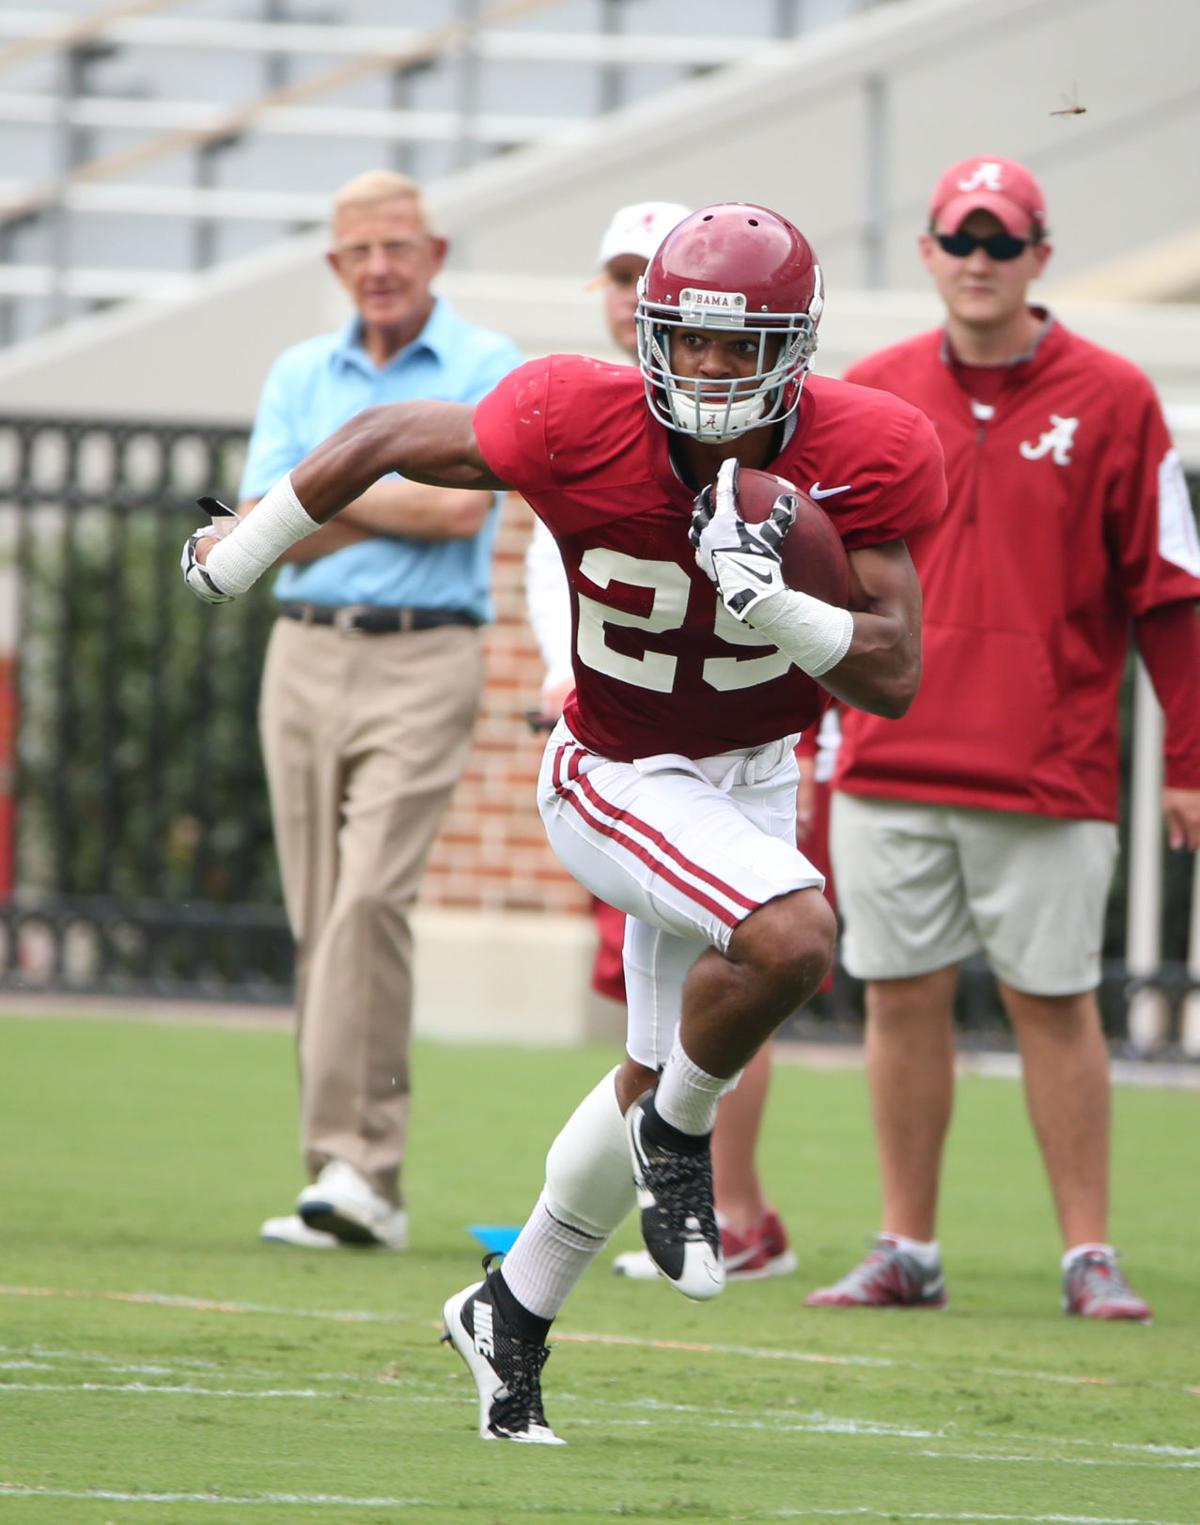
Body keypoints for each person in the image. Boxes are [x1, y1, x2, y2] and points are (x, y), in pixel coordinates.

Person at [182, 201, 946, 1441]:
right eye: (685, 340)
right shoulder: (574, 415)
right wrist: (254, 538)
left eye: (735, 343)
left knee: (652, 1061)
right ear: (647, 333)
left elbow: (895, 672)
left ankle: (513, 1309)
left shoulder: (866, 445)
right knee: (797, 939)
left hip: (751, 771)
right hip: (615, 767)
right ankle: (680, 1143)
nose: (705, 367)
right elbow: (380, 432)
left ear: (794, 343)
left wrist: (787, 612)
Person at [805, 155, 1200, 1321]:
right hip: (890, 756)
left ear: (1040, 256)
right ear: (926, 253)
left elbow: (1172, 590)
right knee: (901, 997)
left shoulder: (1118, 396)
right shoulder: (865, 392)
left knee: (1056, 1000)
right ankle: (905, 1248)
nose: (979, 261)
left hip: (1052, 766)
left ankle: (1088, 1253)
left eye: (1002, 240)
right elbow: (805, 580)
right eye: (959, 240)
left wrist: (1187, 760)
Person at [233, 170, 523, 1251]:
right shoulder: (301, 369)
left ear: (435, 253)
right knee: (320, 915)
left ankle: (366, 1169)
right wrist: (339, 500)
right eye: (361, 250)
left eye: (400, 246)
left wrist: (320, 495)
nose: (382, 267)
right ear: (335, 265)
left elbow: (457, 506)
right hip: (303, 656)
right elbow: (261, 521)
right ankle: (339, 1174)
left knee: (366, 905)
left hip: (425, 656)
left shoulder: (486, 364)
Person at [524, 198, 798, 1282]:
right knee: (712, 991)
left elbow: (884, 641)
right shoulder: (567, 416)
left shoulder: (823, 438)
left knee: (721, 994)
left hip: (736, 749)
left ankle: (716, 1205)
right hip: (622, 755)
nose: (651, 303)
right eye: (630, 278)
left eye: (669, 284)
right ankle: (677, 1178)